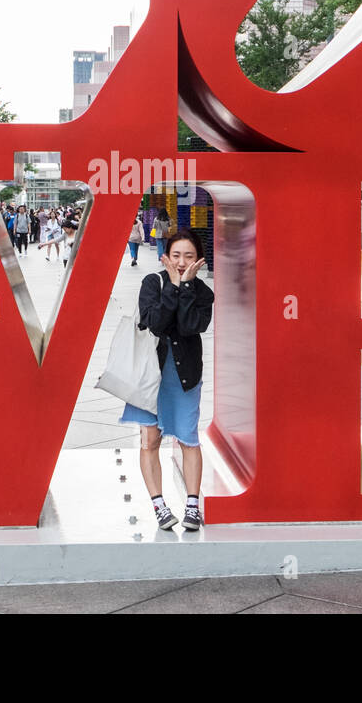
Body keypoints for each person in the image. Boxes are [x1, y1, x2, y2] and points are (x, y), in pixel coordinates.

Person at [119, 228, 214, 532]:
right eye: (176, 256)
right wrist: (172, 286)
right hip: (149, 374)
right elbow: (156, 323)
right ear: (165, 256)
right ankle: (159, 505)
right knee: (150, 441)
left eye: (189, 256)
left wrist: (185, 287)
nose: (182, 261)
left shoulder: (203, 293)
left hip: (184, 375)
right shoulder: (152, 283)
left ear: (198, 259)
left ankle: (192, 504)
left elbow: (189, 327)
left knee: (188, 438)